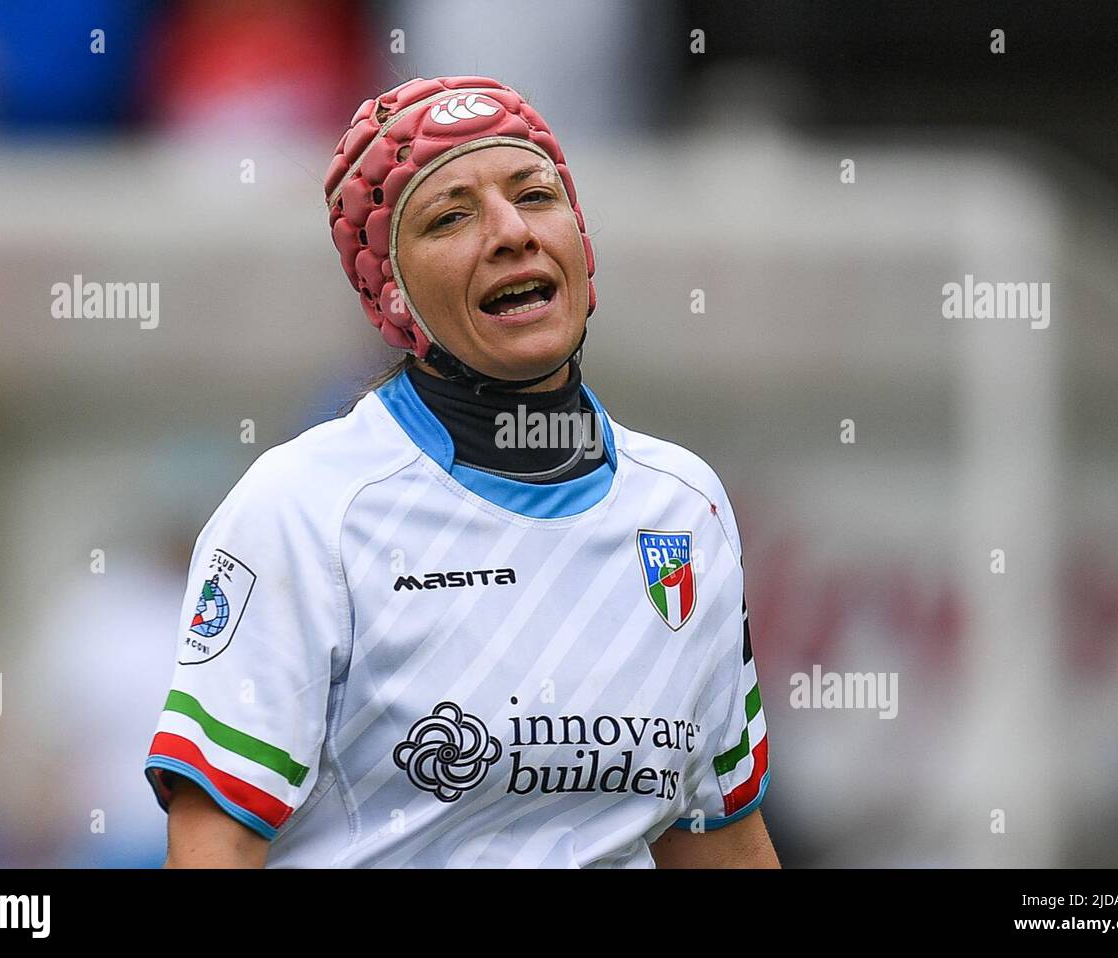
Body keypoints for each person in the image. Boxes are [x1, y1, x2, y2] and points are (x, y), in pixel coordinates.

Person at [144, 75, 780, 868]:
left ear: (582, 241)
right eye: (451, 216)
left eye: (535, 196)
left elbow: (720, 836)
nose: (511, 231)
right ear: (392, 296)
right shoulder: (304, 509)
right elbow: (214, 845)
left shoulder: (685, 507)